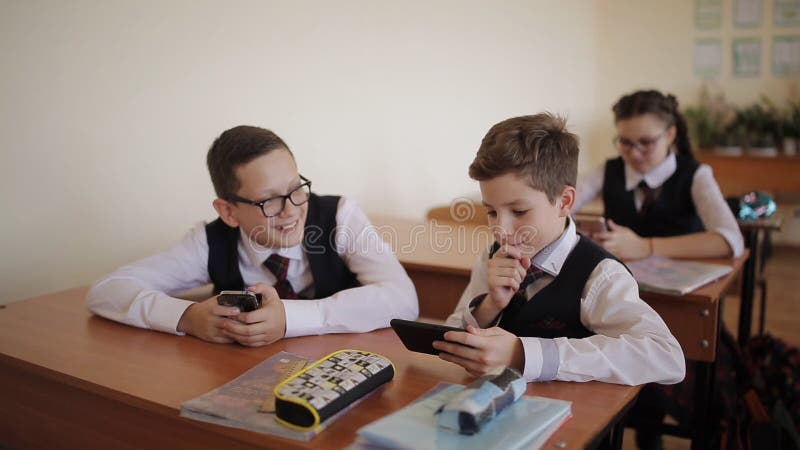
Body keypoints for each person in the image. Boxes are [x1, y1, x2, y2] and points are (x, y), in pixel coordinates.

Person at [87, 125, 418, 346]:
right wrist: (187, 317)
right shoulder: (209, 241)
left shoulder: (339, 217)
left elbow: (403, 299)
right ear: (229, 212)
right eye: (268, 200)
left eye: (295, 189)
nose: (290, 209)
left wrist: (290, 318)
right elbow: (106, 291)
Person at [438, 113, 685, 388]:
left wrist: (523, 354)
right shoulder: (493, 257)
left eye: (519, 211)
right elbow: (453, 334)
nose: (502, 229)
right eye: (492, 212)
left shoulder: (600, 275)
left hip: (572, 420)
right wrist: (489, 306)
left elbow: (667, 356)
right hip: (498, 409)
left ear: (564, 201)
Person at [574, 89, 744, 261]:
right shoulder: (607, 170)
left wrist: (646, 246)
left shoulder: (696, 175)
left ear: (670, 134)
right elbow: (563, 202)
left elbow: (731, 240)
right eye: (625, 142)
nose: (634, 154)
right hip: (622, 280)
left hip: (681, 280)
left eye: (646, 142)